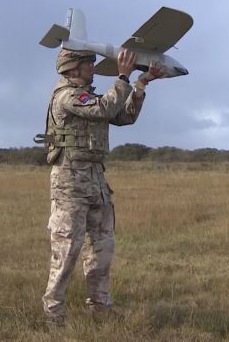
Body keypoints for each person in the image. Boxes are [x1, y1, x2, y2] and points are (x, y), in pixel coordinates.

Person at [41, 47, 163, 326]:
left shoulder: (88, 97)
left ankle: (100, 308)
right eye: (89, 64)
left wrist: (140, 84)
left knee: (102, 250)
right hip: (70, 185)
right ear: (73, 68)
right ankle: (54, 316)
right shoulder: (67, 96)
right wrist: (122, 75)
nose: (93, 69)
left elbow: (123, 116)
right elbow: (105, 107)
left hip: (96, 182)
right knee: (66, 251)